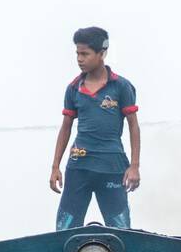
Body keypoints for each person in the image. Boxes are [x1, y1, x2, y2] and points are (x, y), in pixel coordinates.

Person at [50, 26, 140, 231]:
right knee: (64, 231)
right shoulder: (73, 88)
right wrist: (55, 167)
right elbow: (66, 128)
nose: (79, 59)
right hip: (78, 167)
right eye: (77, 54)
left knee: (121, 232)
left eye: (85, 54)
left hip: (112, 167)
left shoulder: (121, 87)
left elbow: (133, 126)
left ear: (102, 54)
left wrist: (134, 166)